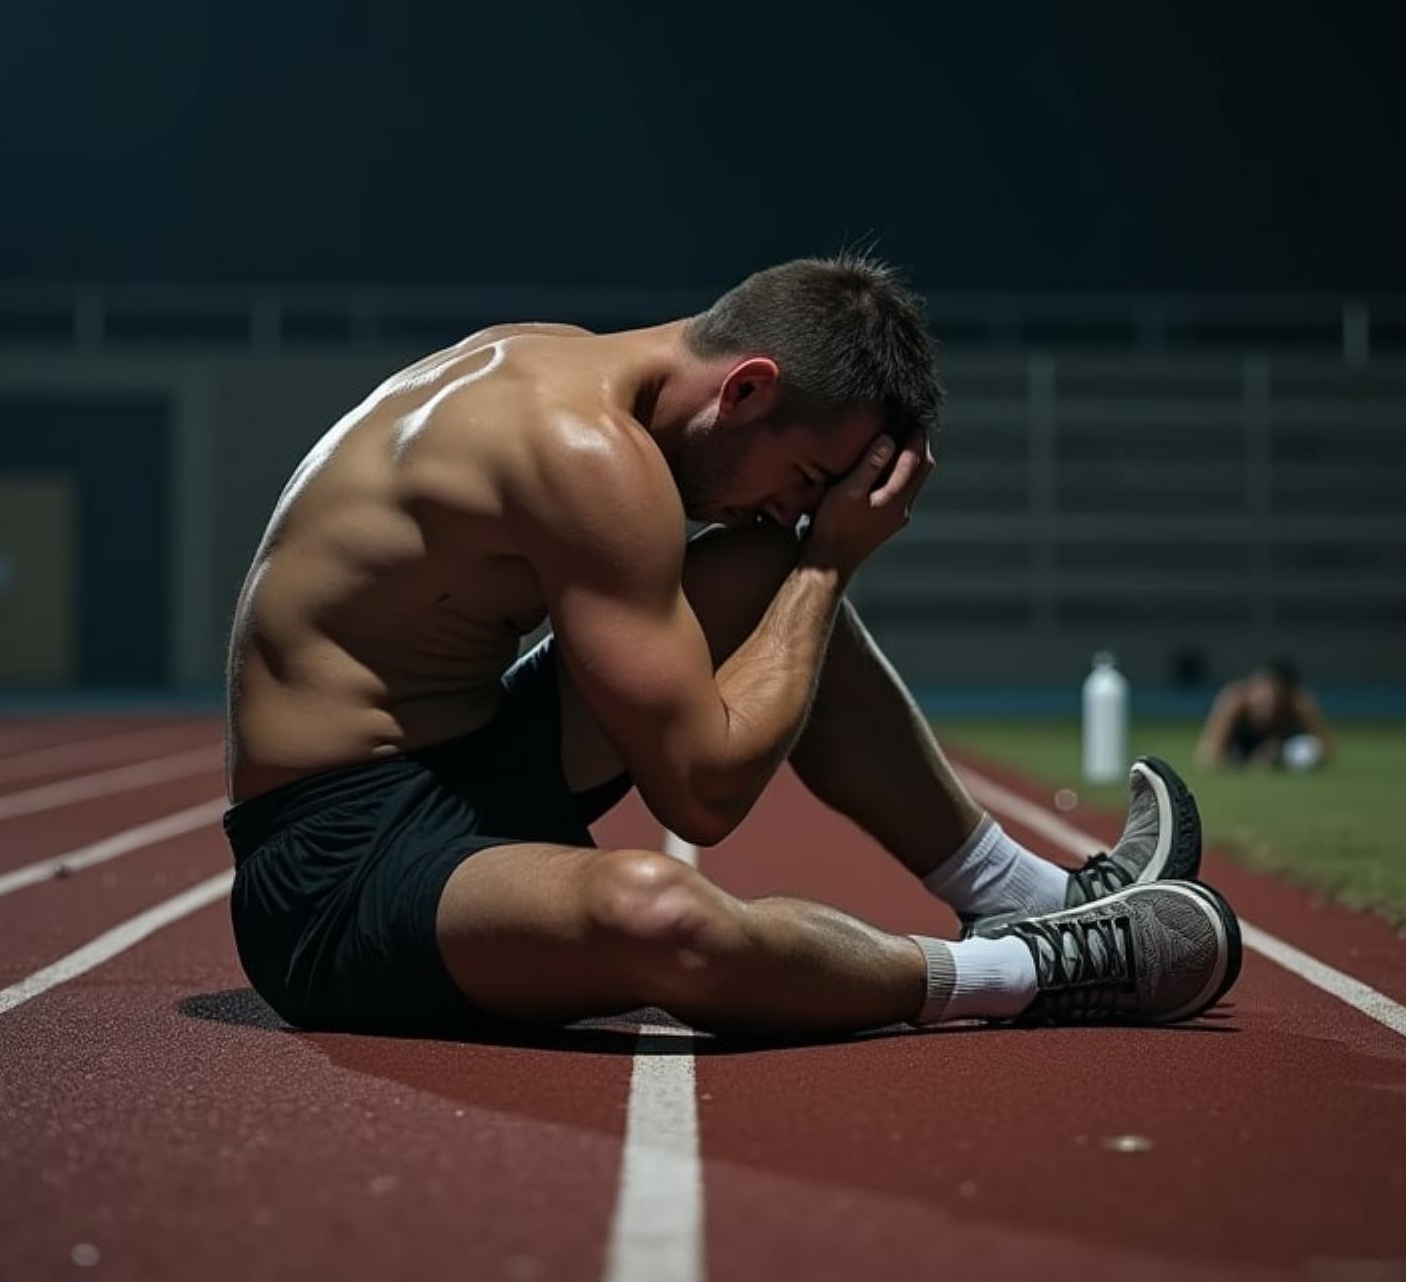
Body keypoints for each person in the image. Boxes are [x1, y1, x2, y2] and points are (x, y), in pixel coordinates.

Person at [223, 256, 1242, 1039]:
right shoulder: (584, 455)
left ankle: (1036, 898)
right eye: (804, 478)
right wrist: (827, 566)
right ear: (747, 389)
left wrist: (796, 566)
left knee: (759, 574)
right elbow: (700, 796)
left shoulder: (563, 362)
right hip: (333, 869)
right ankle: (1031, 970)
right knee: (657, 914)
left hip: (470, 756)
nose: (792, 509)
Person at [1195, 659, 1336, 772]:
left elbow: (1326, 748)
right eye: (1261, 701)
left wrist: (1282, 753)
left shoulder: (1298, 703)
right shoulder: (1233, 701)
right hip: (1242, 749)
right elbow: (1208, 756)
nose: (1266, 709)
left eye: (1273, 700)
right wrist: (1247, 761)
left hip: (1284, 746)